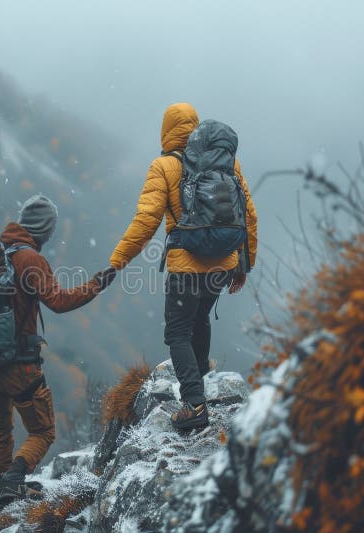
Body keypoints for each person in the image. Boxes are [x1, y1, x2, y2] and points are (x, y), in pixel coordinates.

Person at [109, 103, 258, 431]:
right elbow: (249, 216)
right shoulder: (227, 163)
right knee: (200, 319)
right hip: (222, 264)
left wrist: (116, 262)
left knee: (177, 331)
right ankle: (202, 381)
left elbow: (146, 220)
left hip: (186, 266)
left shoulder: (163, 165)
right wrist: (243, 266)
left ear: (166, 130)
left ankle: (193, 403)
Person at [0, 194, 116, 507]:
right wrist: (96, 284)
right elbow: (58, 302)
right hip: (19, 362)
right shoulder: (30, 259)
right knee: (43, 431)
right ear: (44, 229)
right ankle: (14, 480)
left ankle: (2, 488)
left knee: (1, 428)